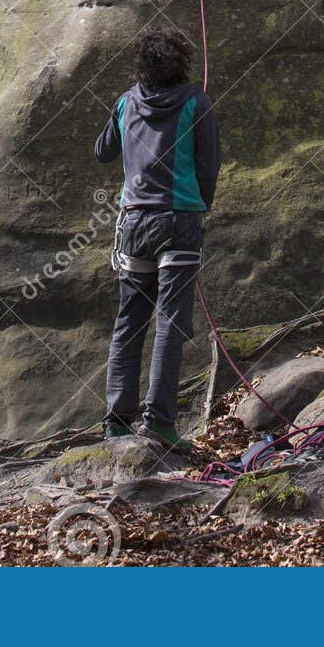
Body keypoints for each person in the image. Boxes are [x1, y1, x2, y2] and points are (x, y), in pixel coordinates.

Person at [94, 23, 221, 449]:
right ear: (182, 63)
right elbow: (209, 166)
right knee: (170, 323)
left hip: (133, 224)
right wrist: (200, 205)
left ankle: (116, 421)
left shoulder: (126, 102)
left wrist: (119, 114)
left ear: (142, 65)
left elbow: (103, 152)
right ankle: (160, 423)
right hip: (178, 221)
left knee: (129, 321)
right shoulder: (196, 103)